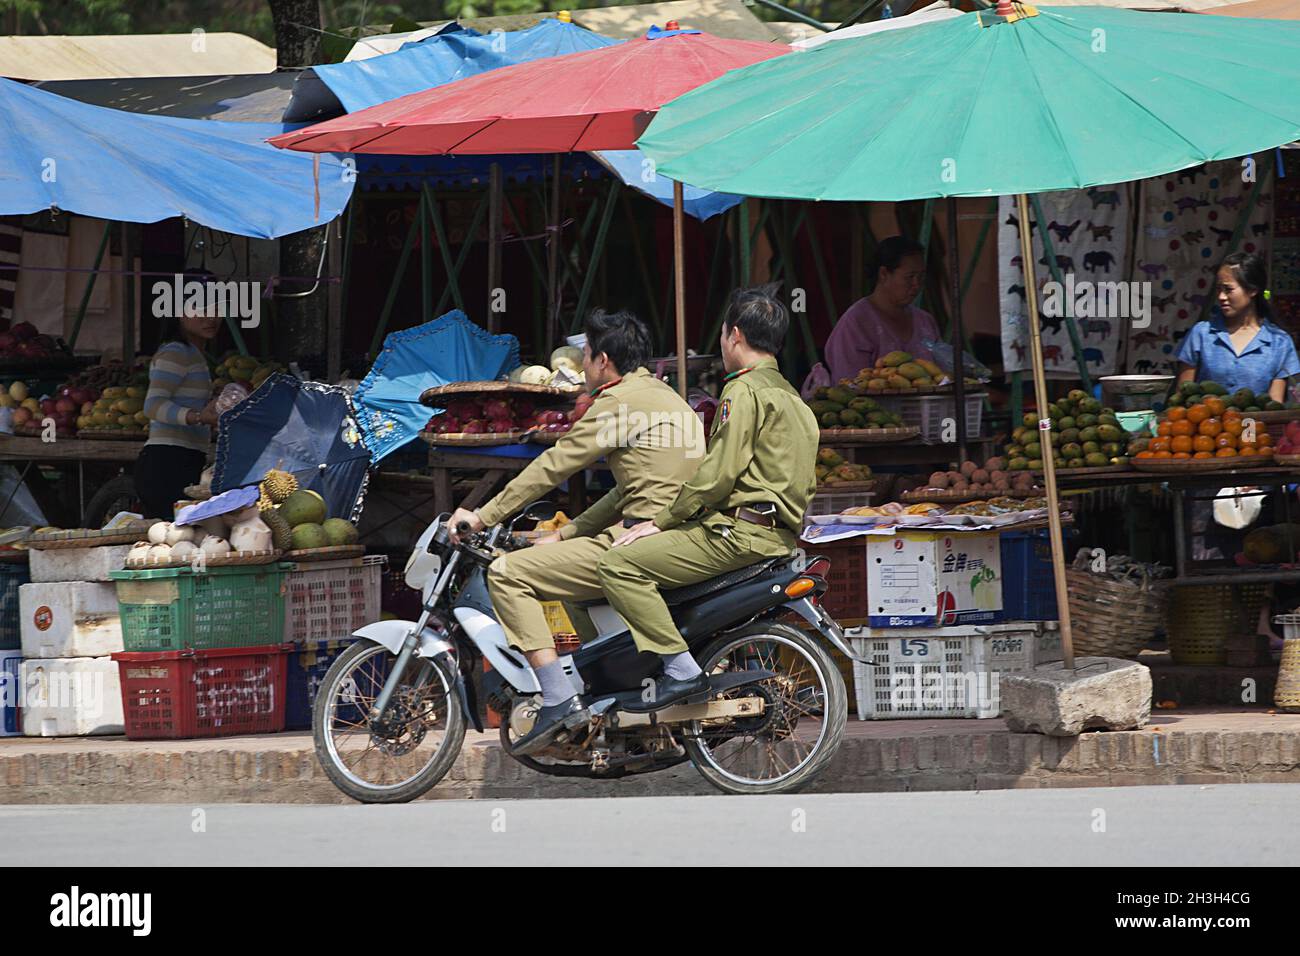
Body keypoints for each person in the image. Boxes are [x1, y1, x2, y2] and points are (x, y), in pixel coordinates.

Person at [447, 309, 705, 754]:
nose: (583, 367)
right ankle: (610, 694)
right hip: (671, 533)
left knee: (508, 573)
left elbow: (555, 465)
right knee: (567, 585)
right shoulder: (661, 394)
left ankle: (558, 698)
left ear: (603, 361)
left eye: (585, 356)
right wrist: (567, 535)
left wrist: (482, 514)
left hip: (642, 541)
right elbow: (630, 491)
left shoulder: (617, 404)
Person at [598, 288, 819, 711]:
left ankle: (680, 670)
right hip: (779, 537)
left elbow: (717, 475)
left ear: (734, 335)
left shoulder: (744, 391)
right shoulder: (796, 400)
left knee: (618, 563)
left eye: (722, 334)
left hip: (740, 534)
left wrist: (662, 520)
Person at [136, 278, 221, 518]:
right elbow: (153, 406)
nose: (210, 317)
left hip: (187, 458)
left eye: (216, 309)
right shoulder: (175, 352)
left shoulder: (195, 354)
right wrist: (198, 417)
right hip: (166, 462)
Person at [1176, 251, 1300, 402]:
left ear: (1253, 290)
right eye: (1219, 289)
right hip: (1207, 425)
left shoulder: (1279, 343)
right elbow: (1182, 397)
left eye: (1228, 290)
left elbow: (1274, 406)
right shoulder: (1201, 334)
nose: (1221, 297)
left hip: (1256, 426)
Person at [823, 235, 941, 385]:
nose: (916, 285)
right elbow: (850, 386)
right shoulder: (856, 323)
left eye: (921, 277)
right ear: (884, 274)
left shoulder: (925, 321)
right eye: (910, 277)